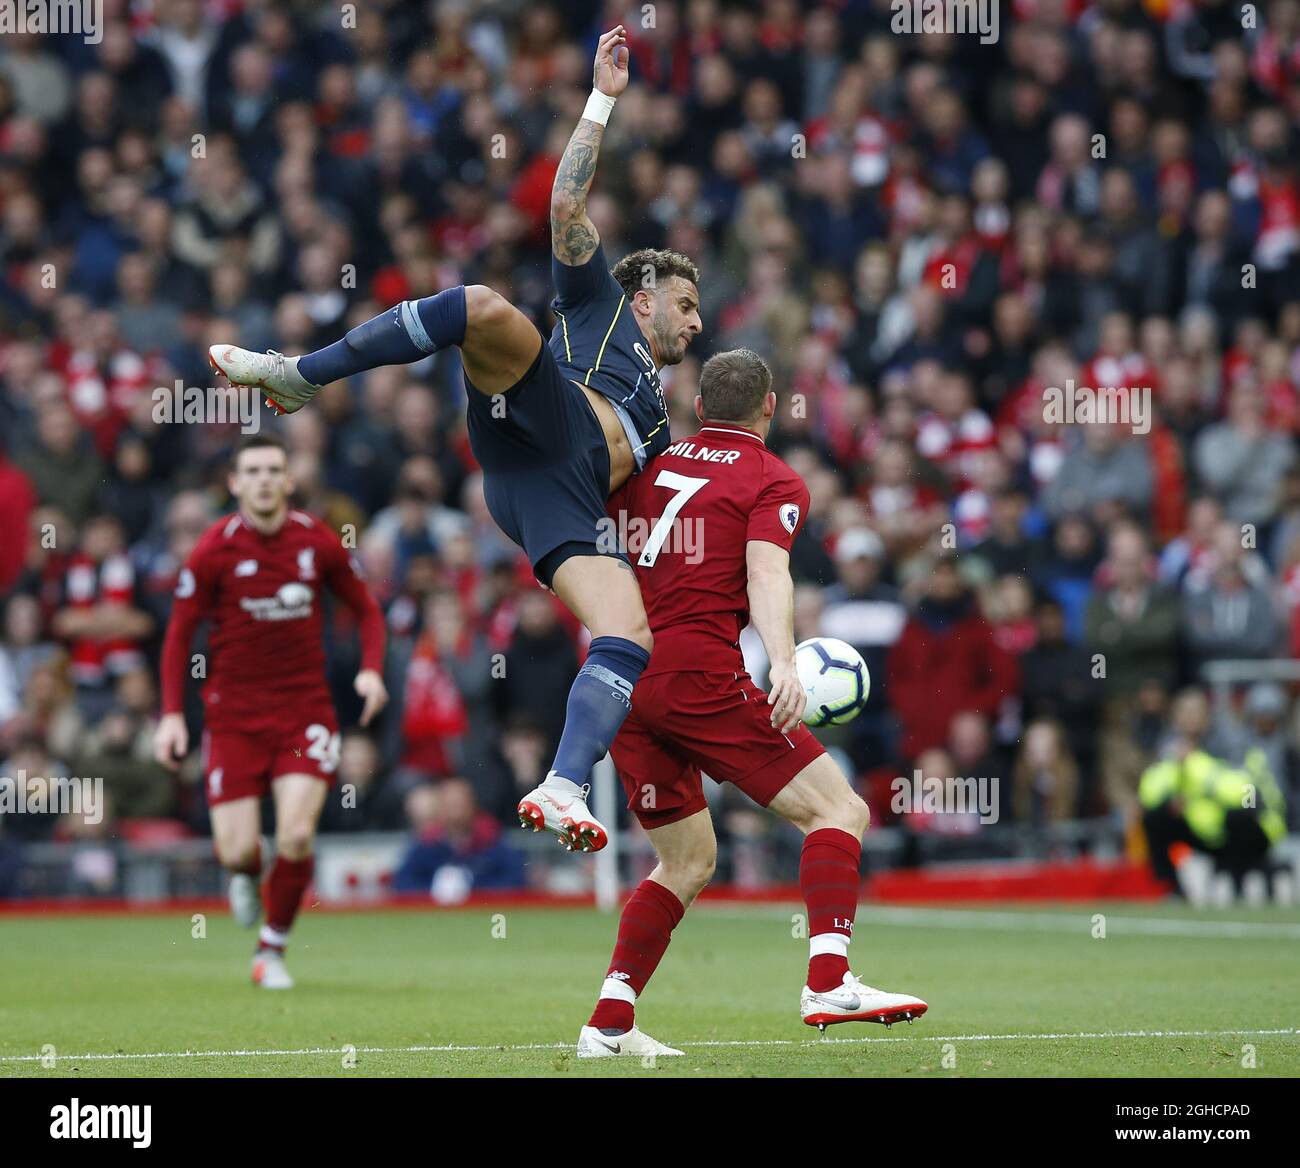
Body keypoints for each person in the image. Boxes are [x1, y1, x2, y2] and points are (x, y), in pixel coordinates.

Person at [209, 27, 702, 855]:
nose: (696, 322)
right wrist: (603, 101)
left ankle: (562, 784)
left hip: (551, 497)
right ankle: (300, 373)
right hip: (550, 416)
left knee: (628, 632)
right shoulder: (600, 304)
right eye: (687, 306)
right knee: (477, 305)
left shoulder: (662, 415)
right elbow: (565, 205)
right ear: (648, 298)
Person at [576, 349, 926, 1059]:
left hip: (621, 674)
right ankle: (829, 979)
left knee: (687, 859)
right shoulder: (772, 476)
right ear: (770, 408)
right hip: (696, 674)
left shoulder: (651, 464)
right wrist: (786, 660)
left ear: (699, 408)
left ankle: (609, 1021)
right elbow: (767, 568)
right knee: (840, 810)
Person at [153, 434, 388, 988]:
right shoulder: (213, 549)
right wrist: (170, 714)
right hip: (232, 717)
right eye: (252, 470)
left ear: (288, 481)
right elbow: (177, 636)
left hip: (303, 712)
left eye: (273, 469)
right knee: (237, 851)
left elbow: (367, 609)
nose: (263, 479)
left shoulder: (317, 542)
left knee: (296, 837)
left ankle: (271, 949)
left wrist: (372, 669)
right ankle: (243, 875)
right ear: (234, 483)